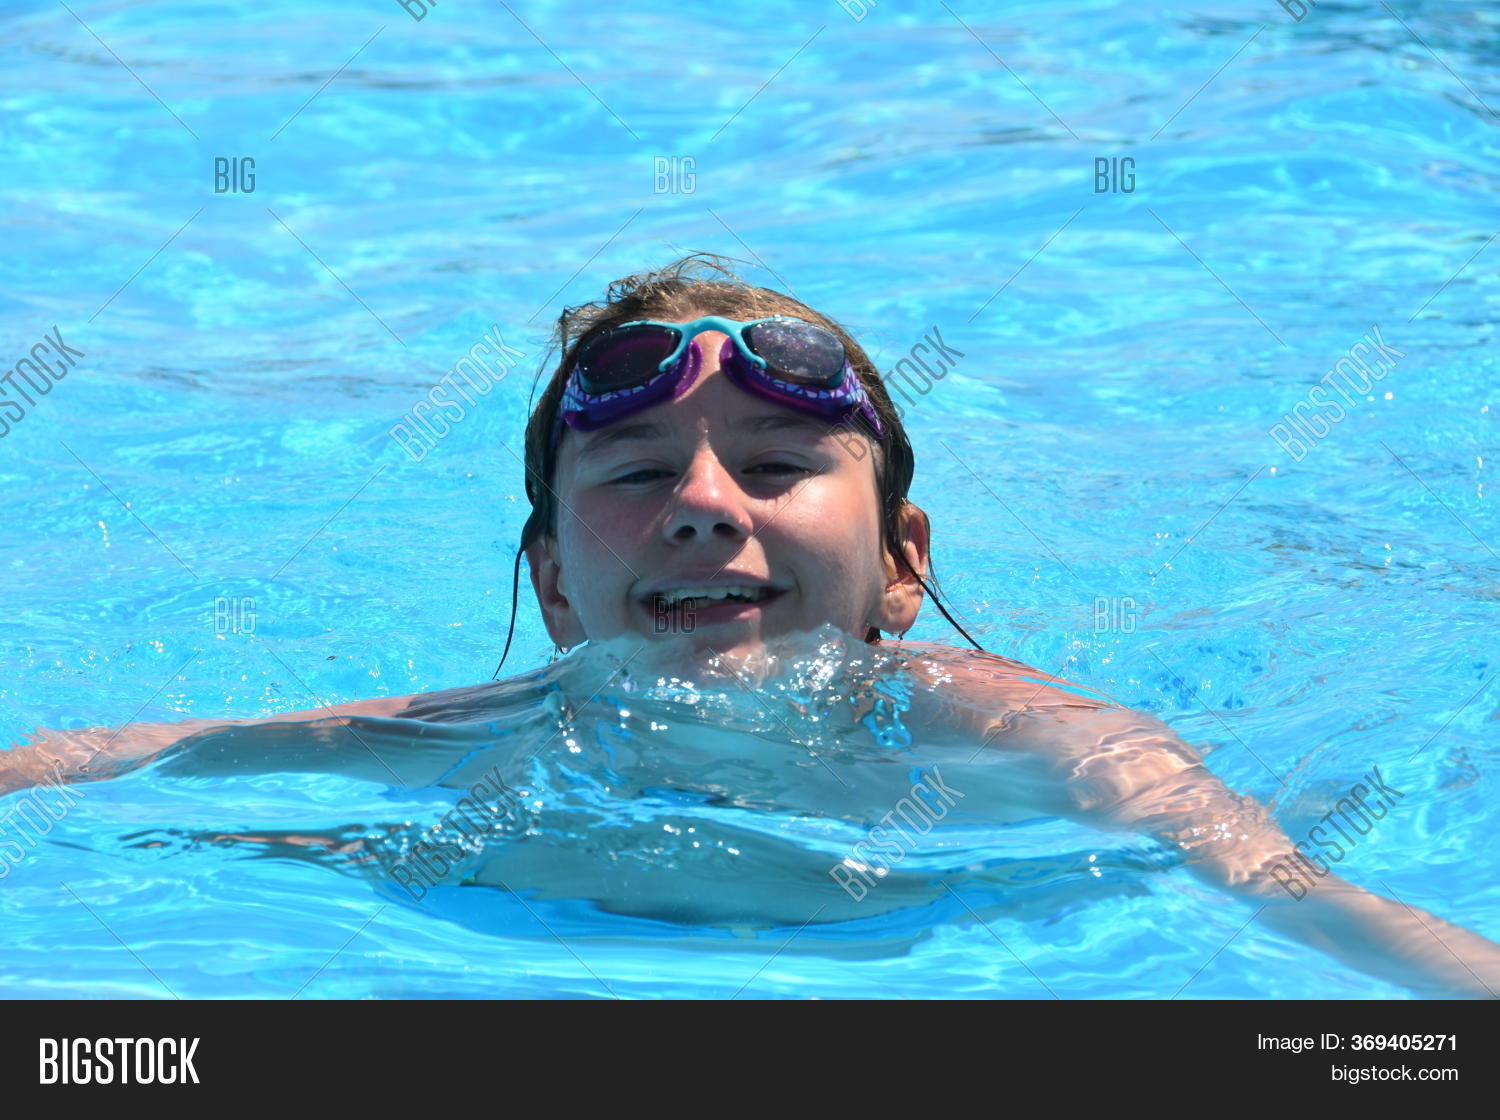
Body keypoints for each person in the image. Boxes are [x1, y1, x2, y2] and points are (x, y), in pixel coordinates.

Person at [4, 253, 1497, 997]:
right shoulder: (458, 739)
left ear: (902, 565)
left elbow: (1294, 897)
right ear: (553, 586)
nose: (710, 506)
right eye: (643, 473)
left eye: (778, 470)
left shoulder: (1026, 736)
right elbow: (113, 760)